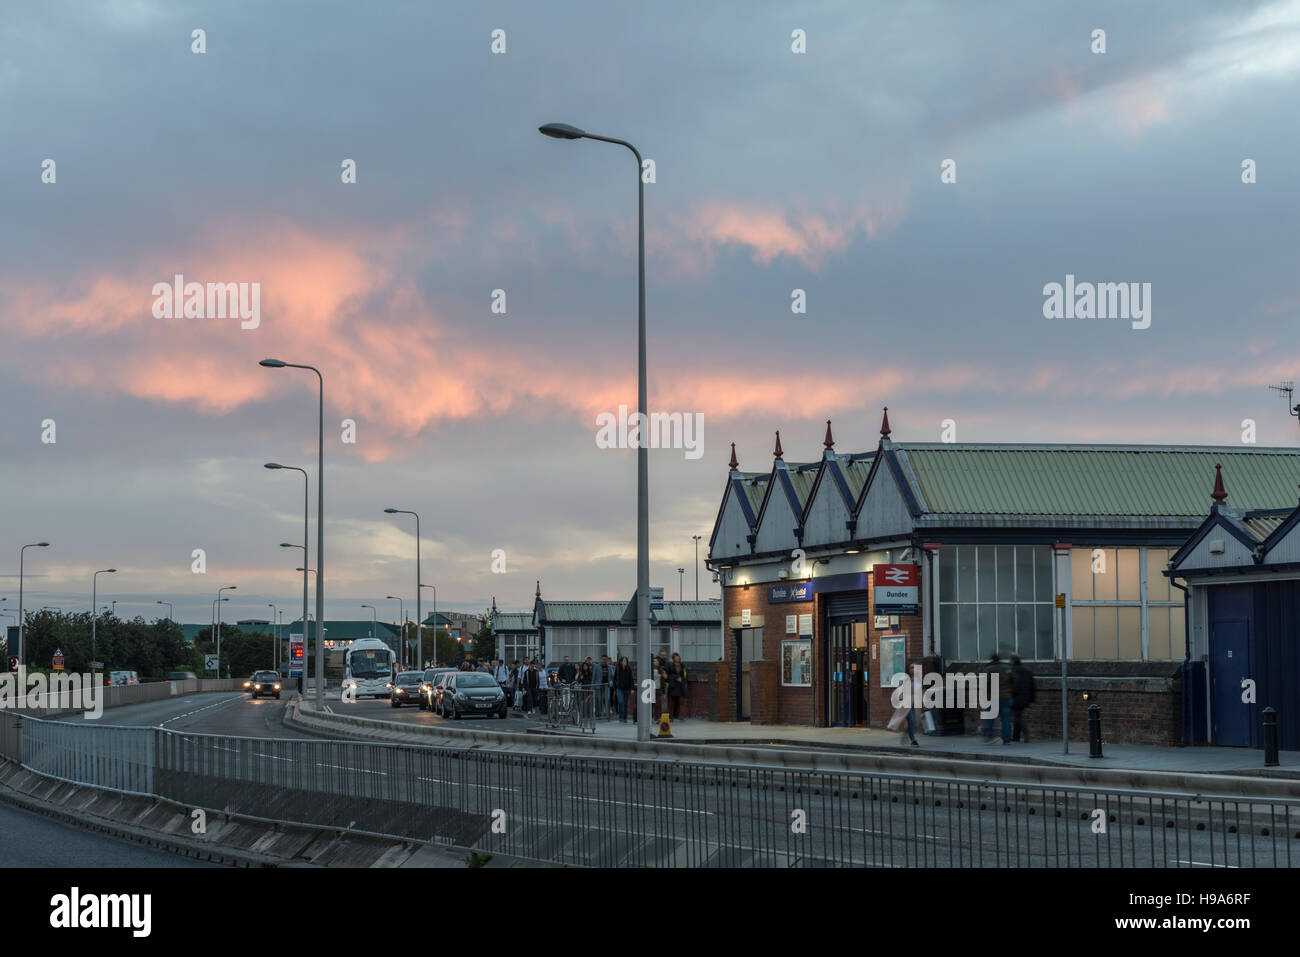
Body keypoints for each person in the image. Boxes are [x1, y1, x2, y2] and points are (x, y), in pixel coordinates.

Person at [1010, 653, 1035, 742]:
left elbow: (1012, 685)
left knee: (1017, 717)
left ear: (1012, 661)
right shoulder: (1028, 670)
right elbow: (1032, 685)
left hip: (1016, 696)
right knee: (1018, 715)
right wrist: (1032, 698)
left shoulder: (1012, 670)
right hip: (1026, 696)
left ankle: (1026, 733)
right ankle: (1015, 737)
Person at [667, 652, 687, 720]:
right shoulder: (670, 665)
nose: (677, 658)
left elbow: (684, 674)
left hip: (681, 685)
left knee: (681, 701)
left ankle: (681, 715)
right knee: (672, 702)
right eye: (675, 657)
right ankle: (671, 716)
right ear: (673, 658)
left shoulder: (682, 665)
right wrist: (676, 677)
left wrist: (683, 681)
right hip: (673, 685)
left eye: (678, 657)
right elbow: (668, 676)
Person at [614, 655, 634, 723]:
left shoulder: (629, 669)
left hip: (627, 689)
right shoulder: (618, 669)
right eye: (624, 661)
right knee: (620, 702)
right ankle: (620, 717)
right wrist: (615, 687)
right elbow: (614, 678)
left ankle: (625, 718)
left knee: (625, 704)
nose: (625, 662)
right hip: (619, 688)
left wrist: (632, 689)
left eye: (626, 661)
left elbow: (631, 679)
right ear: (621, 662)